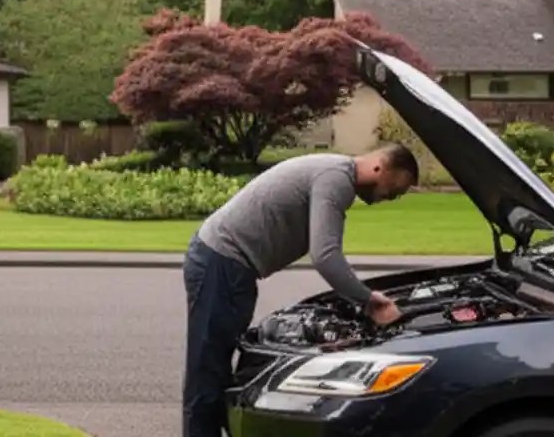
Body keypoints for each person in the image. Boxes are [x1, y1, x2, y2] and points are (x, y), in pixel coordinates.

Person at [180, 144, 420, 437]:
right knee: (207, 373)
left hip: (231, 267)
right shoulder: (336, 180)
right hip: (220, 263)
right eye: (392, 191)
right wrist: (369, 301)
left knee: (215, 370)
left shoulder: (334, 173)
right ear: (379, 168)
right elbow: (326, 257)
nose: (389, 198)